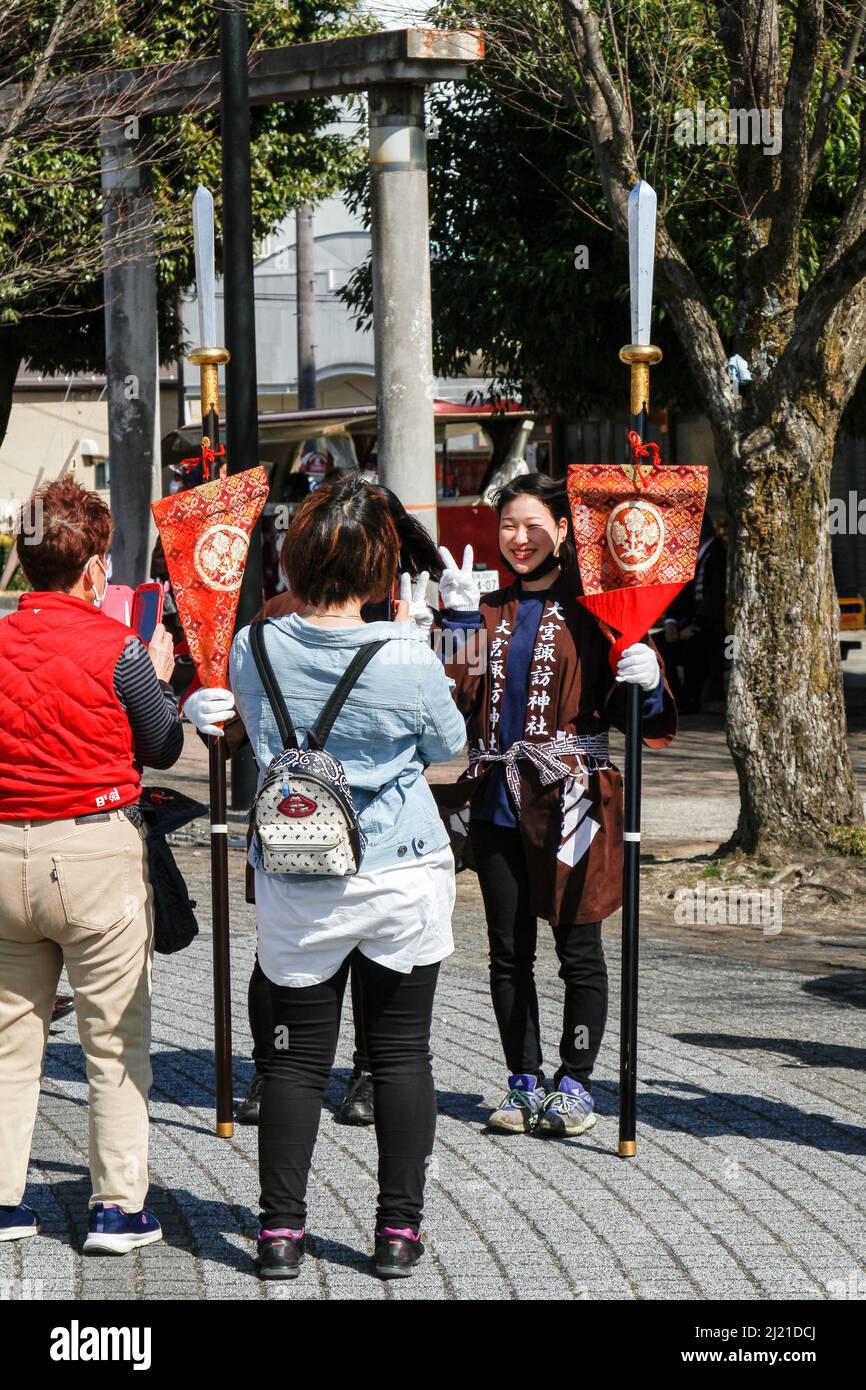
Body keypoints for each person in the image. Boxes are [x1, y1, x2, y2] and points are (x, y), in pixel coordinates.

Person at [216, 473, 466, 1280]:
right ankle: (397, 1234)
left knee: (290, 1060)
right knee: (400, 1054)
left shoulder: (252, 646)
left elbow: (252, 733)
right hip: (402, 871)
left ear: (293, 560)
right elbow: (446, 746)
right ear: (379, 570)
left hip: (299, 872)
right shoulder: (406, 653)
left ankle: (280, 1234)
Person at [185, 486, 443, 1129]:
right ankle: (286, 1076)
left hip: (299, 842)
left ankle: (343, 1085)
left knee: (317, 1018)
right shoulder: (287, 623)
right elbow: (446, 744)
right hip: (357, 842)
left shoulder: (267, 637)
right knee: (382, 1034)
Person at [436, 473, 677, 1137]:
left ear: (565, 531)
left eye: (533, 525)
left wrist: (649, 678)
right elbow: (446, 704)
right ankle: (521, 1081)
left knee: (579, 950)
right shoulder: (485, 609)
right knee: (507, 952)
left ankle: (575, 1082)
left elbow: (641, 713)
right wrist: (454, 625)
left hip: (575, 802)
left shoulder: (602, 609)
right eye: (508, 525)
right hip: (496, 803)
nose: (519, 538)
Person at [0, 479, 183, 1252]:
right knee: (112, 1037)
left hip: (5, 848)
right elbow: (164, 746)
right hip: (94, 846)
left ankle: (4, 1200)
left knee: (9, 1036)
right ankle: (117, 1206)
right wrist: (165, 680)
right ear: (93, 567)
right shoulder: (120, 649)